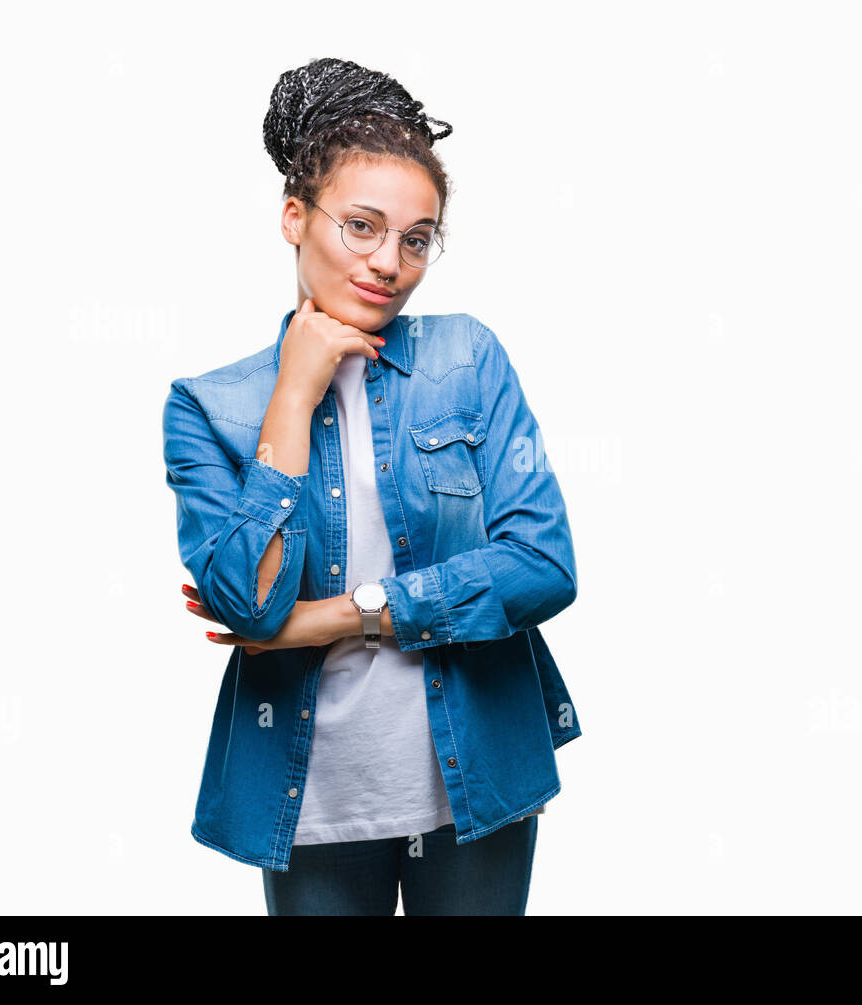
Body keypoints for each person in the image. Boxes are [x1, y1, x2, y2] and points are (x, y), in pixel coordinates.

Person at [161, 57, 582, 916]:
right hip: (309, 798)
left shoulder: (467, 356)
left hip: (476, 789)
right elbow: (250, 605)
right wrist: (294, 390)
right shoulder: (210, 407)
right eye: (361, 226)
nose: (390, 262)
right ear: (293, 217)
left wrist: (341, 614)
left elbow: (544, 564)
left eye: (416, 238)